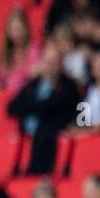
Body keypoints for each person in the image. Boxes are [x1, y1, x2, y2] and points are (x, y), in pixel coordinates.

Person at [8, 44, 80, 176]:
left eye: (54, 63)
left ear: (61, 64)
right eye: (47, 62)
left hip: (49, 134)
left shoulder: (68, 85)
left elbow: (54, 106)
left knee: (45, 132)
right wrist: (37, 106)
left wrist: (31, 106)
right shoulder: (34, 83)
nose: (50, 67)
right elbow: (12, 107)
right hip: (26, 132)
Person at [0, 7, 41, 95]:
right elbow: (0, 82)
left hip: (28, 95)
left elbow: (34, 75)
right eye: (14, 30)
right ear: (8, 32)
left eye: (19, 29)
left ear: (26, 29)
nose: (17, 33)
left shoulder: (34, 49)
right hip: (8, 97)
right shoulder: (5, 54)